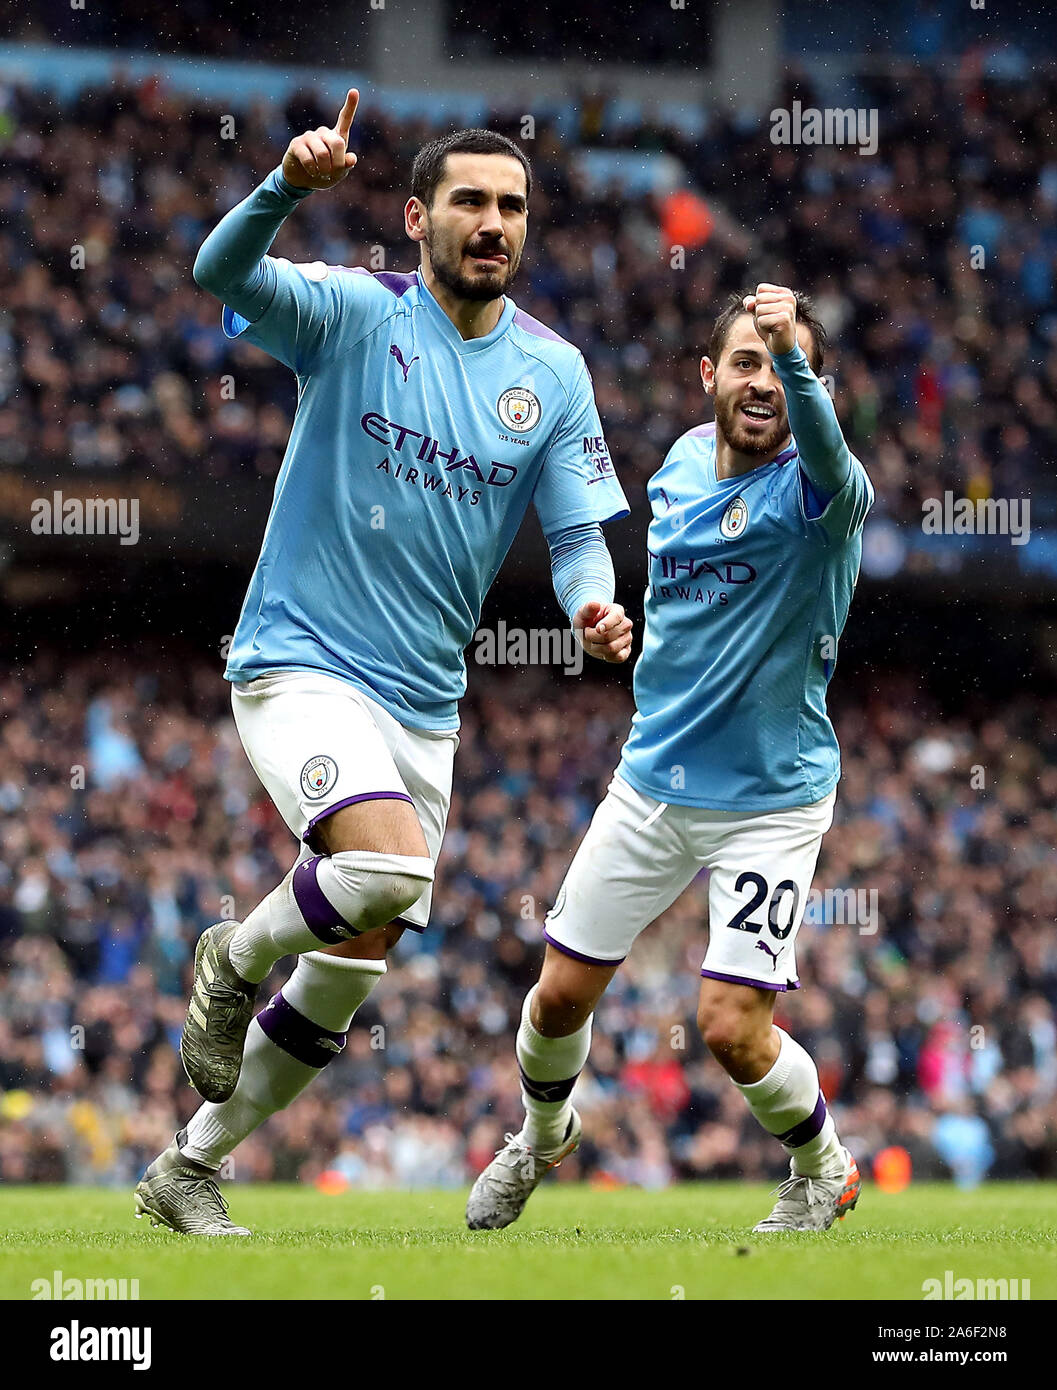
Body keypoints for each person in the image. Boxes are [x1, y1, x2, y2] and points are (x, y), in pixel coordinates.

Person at [135, 91, 632, 1235]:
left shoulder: (553, 374)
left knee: (356, 961)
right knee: (393, 874)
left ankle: (188, 1167)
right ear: (416, 217)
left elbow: (572, 537)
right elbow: (222, 272)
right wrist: (282, 188)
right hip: (301, 662)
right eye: (469, 200)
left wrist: (594, 603)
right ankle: (231, 954)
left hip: (425, 704)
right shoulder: (356, 314)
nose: (493, 221)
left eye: (511, 205)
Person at [467, 284, 873, 1234]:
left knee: (731, 1031)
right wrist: (614, 629)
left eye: (783, 363)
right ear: (707, 374)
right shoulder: (683, 465)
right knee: (558, 997)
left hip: (772, 799)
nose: (763, 378)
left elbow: (826, 455)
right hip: (654, 781)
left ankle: (824, 1168)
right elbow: (690, 616)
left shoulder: (824, 494)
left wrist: (791, 350)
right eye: (746, 359)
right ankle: (539, 1138)